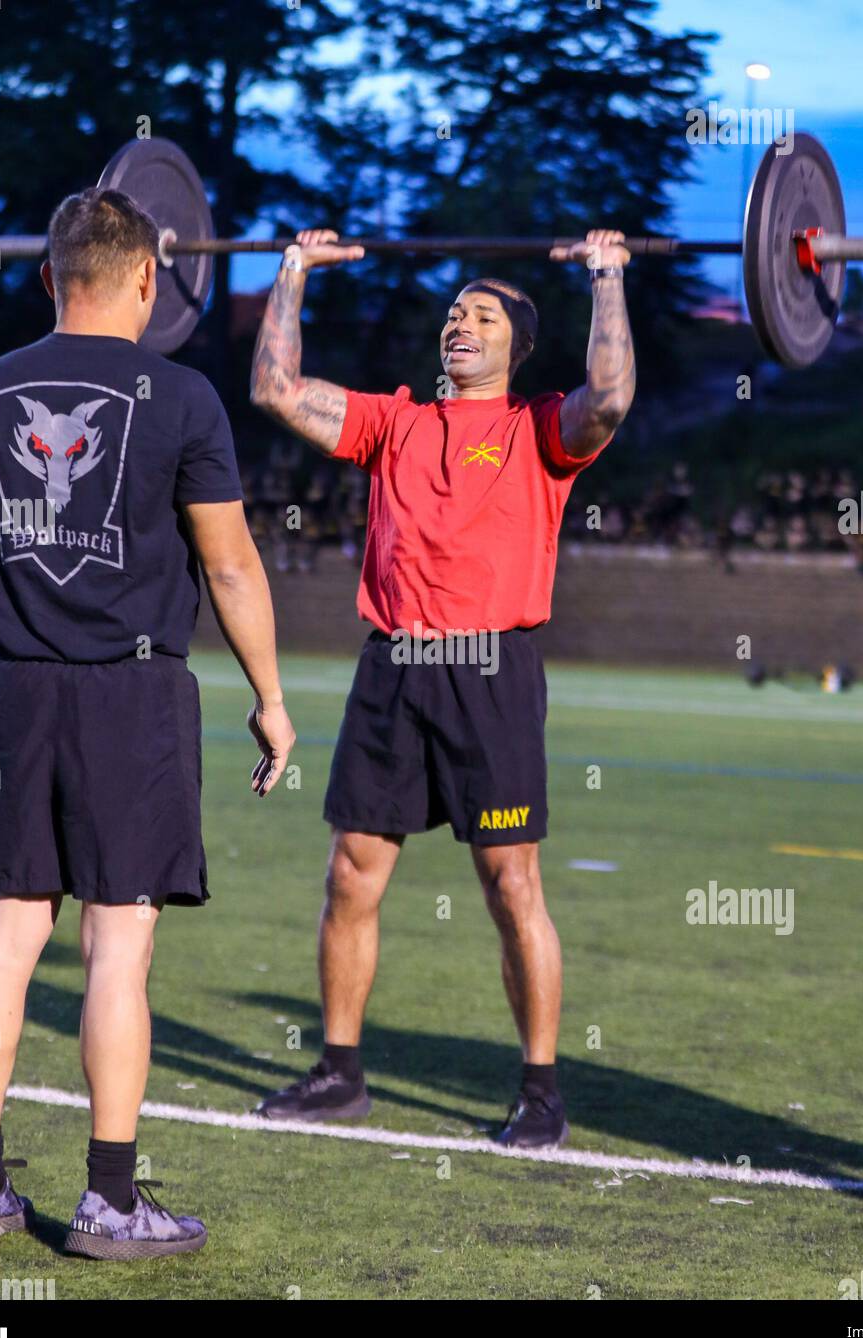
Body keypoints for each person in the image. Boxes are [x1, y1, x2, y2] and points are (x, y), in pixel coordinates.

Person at [0, 185, 295, 1257]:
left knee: (6, 933)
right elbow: (228, 564)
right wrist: (270, 700)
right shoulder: (181, 396)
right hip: (133, 698)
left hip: (20, 689)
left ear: (49, 277)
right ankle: (107, 1197)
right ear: (147, 279)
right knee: (118, 951)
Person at [250, 228, 634, 1147]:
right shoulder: (396, 422)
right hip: (392, 668)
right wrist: (293, 270)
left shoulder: (538, 428)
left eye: (484, 314)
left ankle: (540, 1092)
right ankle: (340, 1072)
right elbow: (272, 387)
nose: (460, 322)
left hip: (491, 673)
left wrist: (608, 277)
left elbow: (611, 396)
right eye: (455, 311)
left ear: (518, 344)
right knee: (351, 874)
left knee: (511, 885)